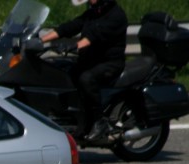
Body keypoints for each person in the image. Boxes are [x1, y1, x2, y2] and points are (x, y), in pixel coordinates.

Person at [41, 0, 128, 141]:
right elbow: (70, 27)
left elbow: (93, 37)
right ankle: (73, 118)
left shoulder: (116, 16)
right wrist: (40, 40)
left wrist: (74, 46)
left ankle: (100, 122)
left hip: (110, 63)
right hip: (91, 61)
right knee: (61, 71)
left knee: (86, 78)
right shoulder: (92, 14)